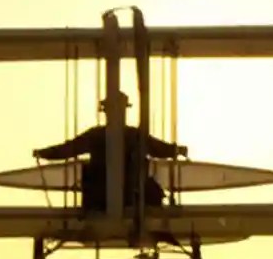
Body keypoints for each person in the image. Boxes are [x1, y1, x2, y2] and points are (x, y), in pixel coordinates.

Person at [32, 91, 188, 213]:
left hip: (111, 197)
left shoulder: (129, 135)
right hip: (115, 196)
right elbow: (68, 149)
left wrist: (175, 150)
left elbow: (158, 148)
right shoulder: (110, 135)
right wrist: (45, 153)